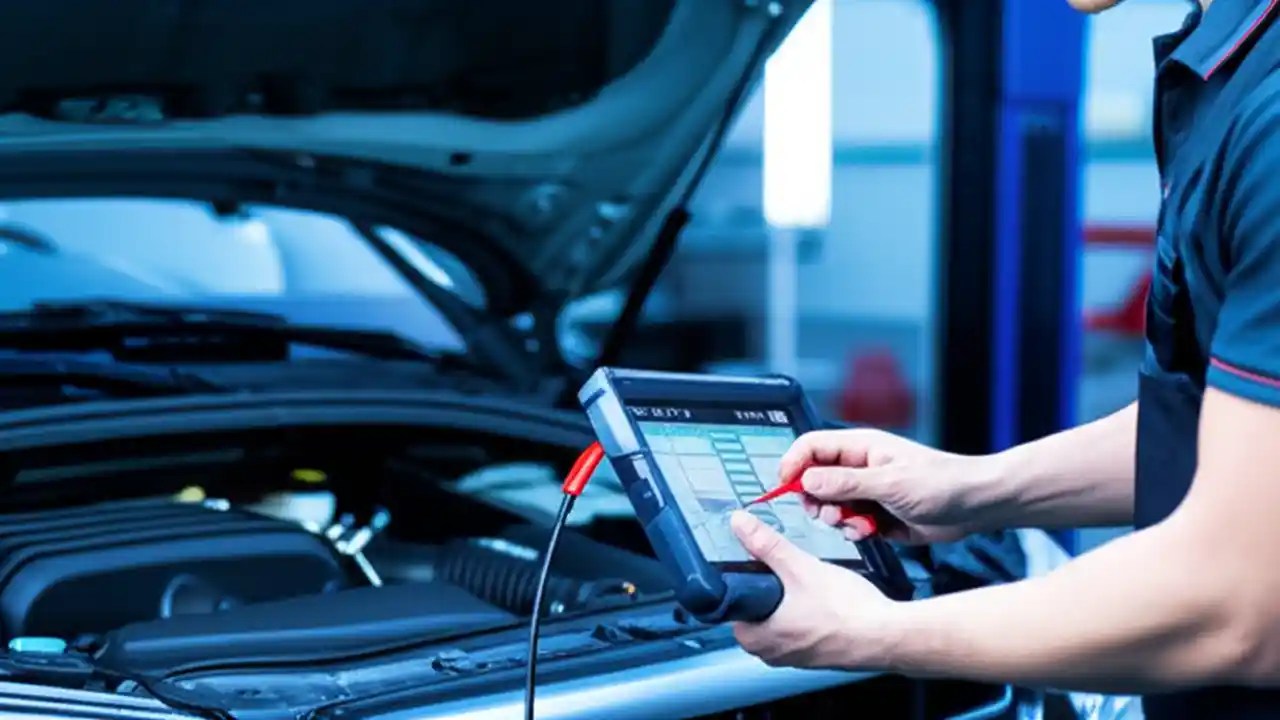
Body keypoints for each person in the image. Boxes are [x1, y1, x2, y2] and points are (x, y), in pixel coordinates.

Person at [727, 0, 1280, 718]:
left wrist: (871, 631)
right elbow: (1219, 429)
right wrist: (969, 490)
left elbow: (1238, 601)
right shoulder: (1225, 73)